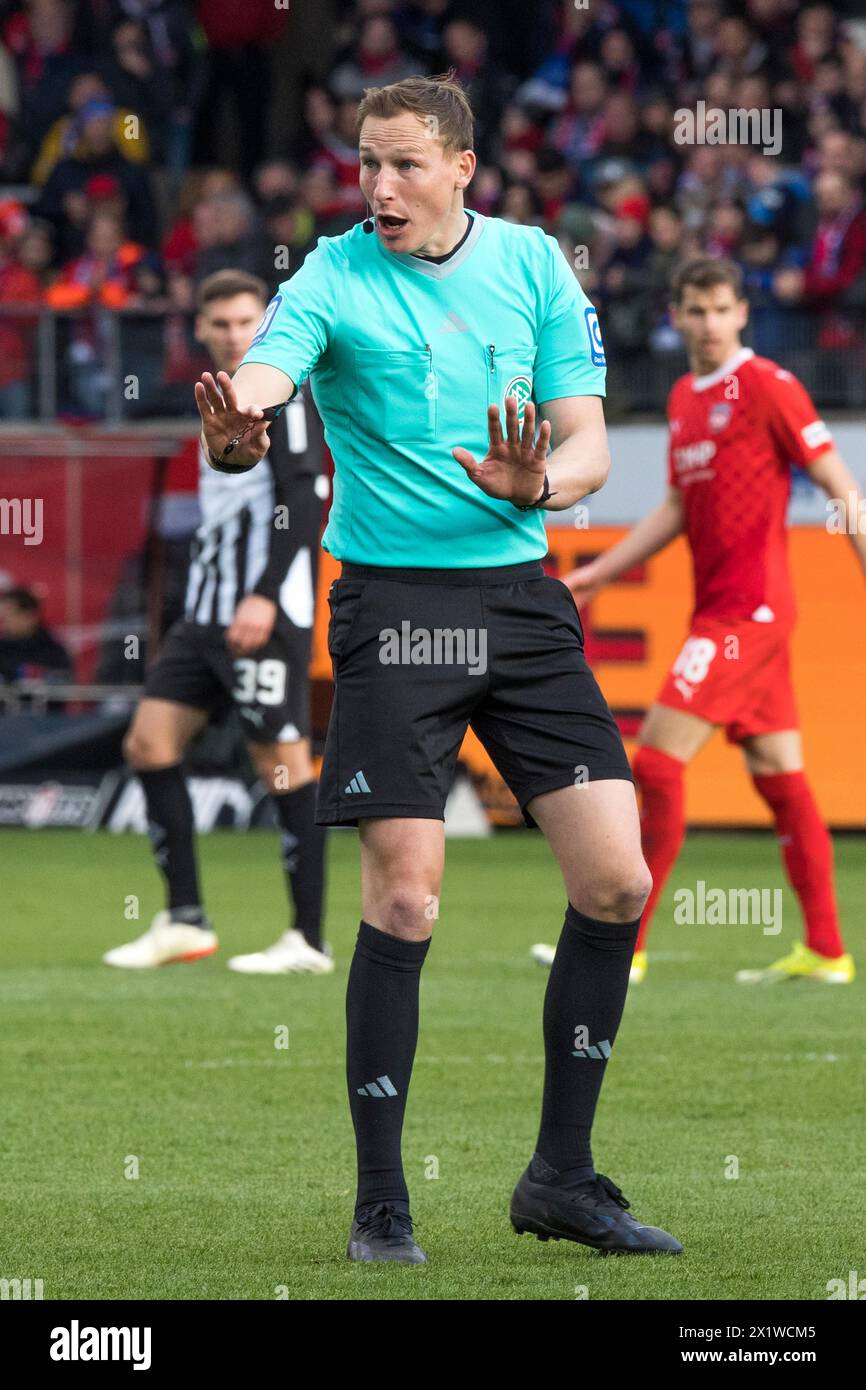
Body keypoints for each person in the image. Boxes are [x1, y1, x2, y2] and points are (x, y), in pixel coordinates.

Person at [195, 74, 681, 1264]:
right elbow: (269, 370)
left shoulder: (530, 265)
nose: (379, 186)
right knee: (406, 897)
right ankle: (380, 1204)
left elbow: (583, 449)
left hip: (521, 600)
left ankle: (559, 1179)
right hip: (392, 608)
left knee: (616, 882)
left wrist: (539, 487)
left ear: (462, 164)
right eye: (366, 162)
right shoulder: (329, 273)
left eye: (405, 163)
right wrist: (239, 422)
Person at [561, 257, 864, 986]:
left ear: (741, 315)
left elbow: (839, 486)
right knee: (781, 778)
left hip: (750, 613)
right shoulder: (683, 397)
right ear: (676, 316)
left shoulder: (768, 386)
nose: (706, 324)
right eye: (693, 311)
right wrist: (601, 570)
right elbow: (675, 505)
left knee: (658, 764)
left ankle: (622, 944)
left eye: (720, 309)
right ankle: (827, 950)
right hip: (721, 610)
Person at [103, 270, 330, 975]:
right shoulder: (218, 397)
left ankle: (308, 939)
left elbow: (307, 495)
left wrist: (263, 595)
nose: (234, 334)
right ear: (200, 328)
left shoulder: (281, 394)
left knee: (283, 770)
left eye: (245, 322)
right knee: (149, 743)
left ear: (264, 323)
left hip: (264, 614)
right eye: (221, 324)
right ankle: (184, 919)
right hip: (206, 617)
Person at [0, 587, 71, 685]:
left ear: (30, 616)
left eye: (9, 613)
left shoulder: (53, 651)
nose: (4, 620)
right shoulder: (2, 648)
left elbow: (62, 686)